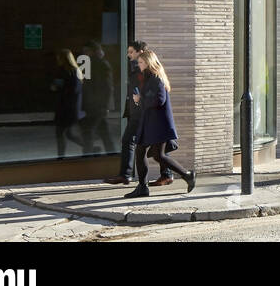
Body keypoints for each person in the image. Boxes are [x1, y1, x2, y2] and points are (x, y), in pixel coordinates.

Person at [125, 49, 195, 198]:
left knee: (156, 155)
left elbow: (159, 100)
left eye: (142, 62)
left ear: (149, 63)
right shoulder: (149, 78)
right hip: (151, 123)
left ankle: (187, 175)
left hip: (158, 125)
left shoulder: (156, 79)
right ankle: (144, 187)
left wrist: (140, 100)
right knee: (149, 153)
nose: (139, 65)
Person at [106, 41, 171, 186]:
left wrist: (139, 103)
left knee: (152, 147)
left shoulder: (146, 71)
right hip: (137, 112)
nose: (128, 55)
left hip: (143, 113)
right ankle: (129, 176)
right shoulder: (137, 69)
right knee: (137, 144)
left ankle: (140, 179)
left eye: (131, 52)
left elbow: (151, 94)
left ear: (140, 52)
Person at [79, 40, 115, 155]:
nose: (84, 53)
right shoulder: (90, 63)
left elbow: (107, 87)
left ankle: (87, 154)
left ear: (93, 51)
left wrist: (105, 106)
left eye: (86, 51)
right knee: (104, 132)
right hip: (94, 104)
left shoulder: (101, 64)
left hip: (98, 105)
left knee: (88, 130)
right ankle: (112, 154)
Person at [51, 49, 85, 158]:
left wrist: (58, 87)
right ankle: (89, 147)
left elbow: (73, 90)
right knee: (69, 134)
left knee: (61, 133)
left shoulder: (73, 72)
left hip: (68, 108)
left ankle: (61, 157)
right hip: (67, 107)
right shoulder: (69, 71)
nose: (57, 60)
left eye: (59, 58)